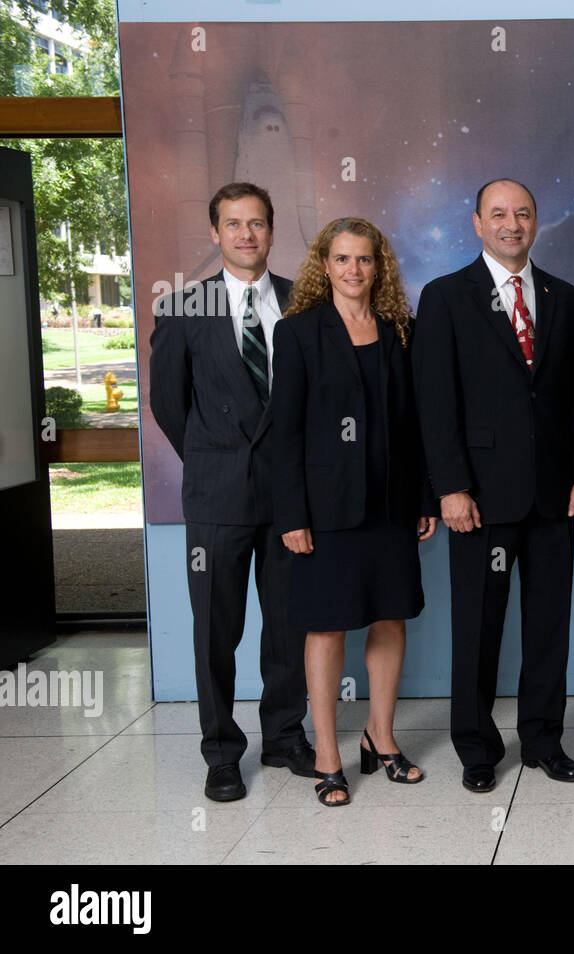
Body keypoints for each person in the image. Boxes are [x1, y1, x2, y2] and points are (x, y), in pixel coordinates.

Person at [413, 179, 574, 793]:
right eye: (498, 214)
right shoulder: (444, 297)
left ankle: (544, 739)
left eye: (522, 213)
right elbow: (434, 404)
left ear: (536, 221)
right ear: (476, 223)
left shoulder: (564, 297)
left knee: (549, 624)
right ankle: (476, 746)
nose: (511, 224)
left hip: (552, 495)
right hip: (479, 499)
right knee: (478, 627)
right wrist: (451, 487)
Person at [150, 182, 313, 803]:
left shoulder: (305, 305)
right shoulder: (183, 308)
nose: (247, 234)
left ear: (273, 232)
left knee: (288, 627)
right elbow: (171, 407)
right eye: (233, 224)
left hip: (291, 499)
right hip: (217, 497)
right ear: (215, 233)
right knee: (216, 630)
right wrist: (214, 455)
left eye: (258, 223)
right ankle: (221, 752)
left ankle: (284, 735)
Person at [271, 217, 436, 806]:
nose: (353, 270)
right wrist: (292, 514)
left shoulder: (400, 330)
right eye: (341, 259)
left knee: (390, 618)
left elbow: (415, 426)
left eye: (364, 260)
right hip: (325, 510)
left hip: (390, 507)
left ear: (379, 266)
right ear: (324, 266)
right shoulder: (297, 334)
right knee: (327, 625)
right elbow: (283, 433)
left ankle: (380, 739)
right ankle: (326, 753)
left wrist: (423, 498)